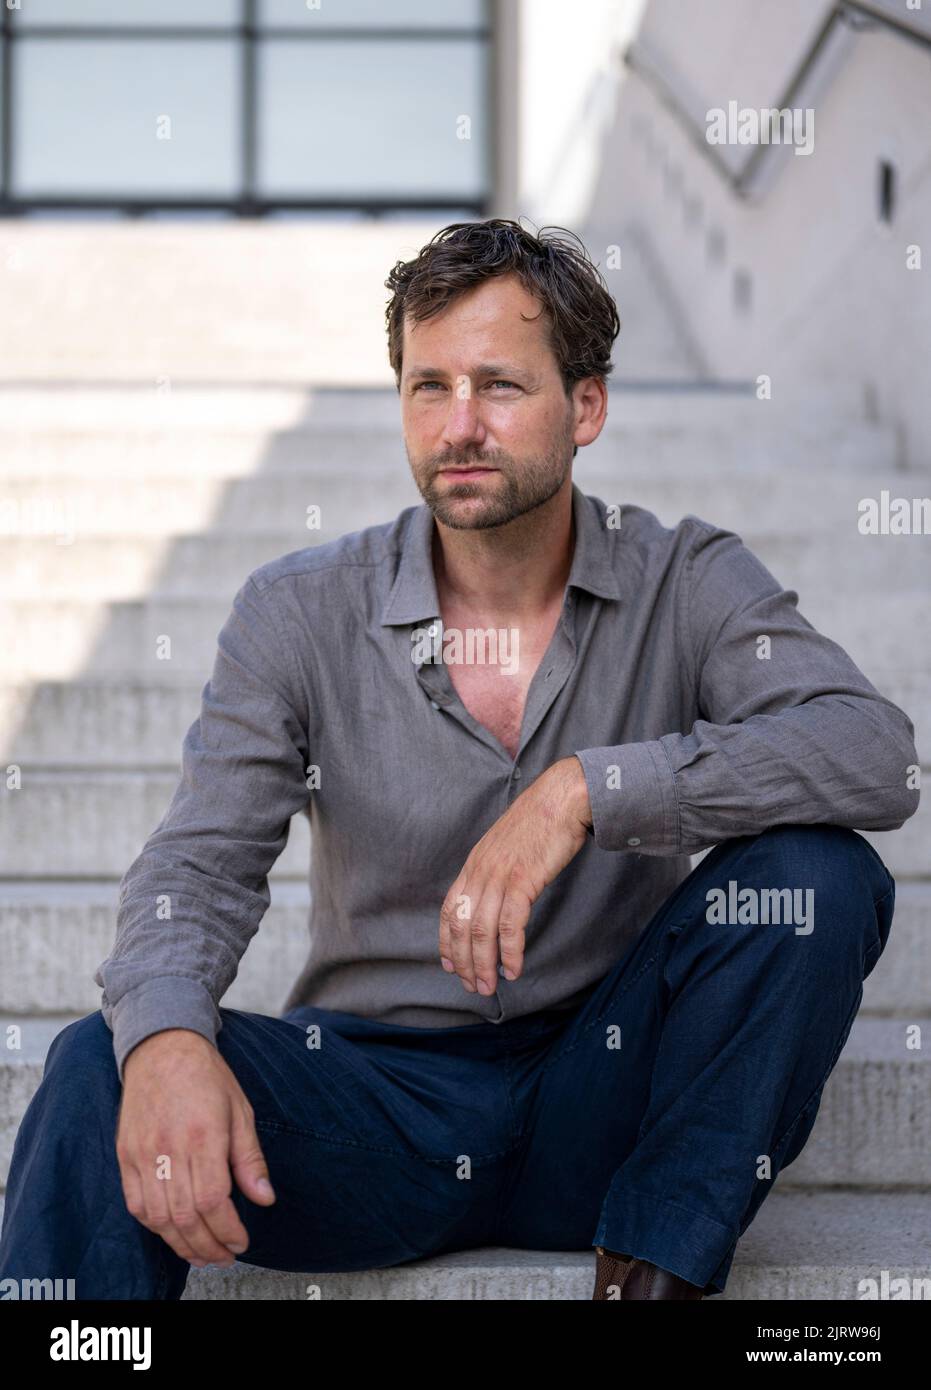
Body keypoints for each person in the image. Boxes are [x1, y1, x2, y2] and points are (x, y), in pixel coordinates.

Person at [0, 220, 915, 1301]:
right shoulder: (300, 611)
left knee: (816, 878)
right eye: (427, 386)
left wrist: (587, 790)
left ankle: (659, 1264)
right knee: (98, 1068)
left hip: (609, 1088)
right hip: (375, 1100)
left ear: (586, 406)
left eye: (498, 385)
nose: (459, 426)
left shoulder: (685, 578)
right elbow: (197, 867)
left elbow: (874, 754)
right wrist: (163, 1037)